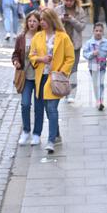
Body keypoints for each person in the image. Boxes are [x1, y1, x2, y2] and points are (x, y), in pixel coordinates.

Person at [29, 8, 74, 153]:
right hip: (41, 77)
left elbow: (70, 57)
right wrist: (40, 59)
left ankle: (50, 140)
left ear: (52, 19)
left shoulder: (63, 37)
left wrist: (62, 72)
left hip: (55, 78)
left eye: (44, 19)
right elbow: (32, 55)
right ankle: (57, 134)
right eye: (40, 19)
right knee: (48, 109)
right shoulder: (38, 37)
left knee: (52, 108)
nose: (42, 22)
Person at [12, 11, 43, 145]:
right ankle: (26, 131)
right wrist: (16, 61)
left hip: (40, 76)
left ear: (39, 23)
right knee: (25, 104)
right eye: (30, 21)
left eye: (34, 21)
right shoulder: (21, 37)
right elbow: (15, 54)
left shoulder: (43, 37)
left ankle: (37, 133)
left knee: (39, 106)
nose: (32, 23)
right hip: (25, 76)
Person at [54, 0, 87, 103]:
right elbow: (52, 24)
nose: (68, 2)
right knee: (61, 68)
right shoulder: (58, 9)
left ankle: (72, 94)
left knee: (73, 70)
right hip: (60, 44)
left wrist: (72, 20)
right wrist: (61, 19)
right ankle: (62, 90)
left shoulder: (80, 11)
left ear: (75, 1)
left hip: (74, 45)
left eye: (70, 1)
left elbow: (82, 27)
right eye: (66, 0)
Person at [83, 22, 107, 111]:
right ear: (93, 31)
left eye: (100, 31)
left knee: (101, 83)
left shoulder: (106, 42)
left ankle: (100, 101)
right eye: (96, 31)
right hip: (93, 66)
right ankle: (98, 100)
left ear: (103, 32)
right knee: (96, 84)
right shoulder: (89, 43)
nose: (98, 32)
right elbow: (85, 54)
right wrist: (92, 53)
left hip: (102, 66)